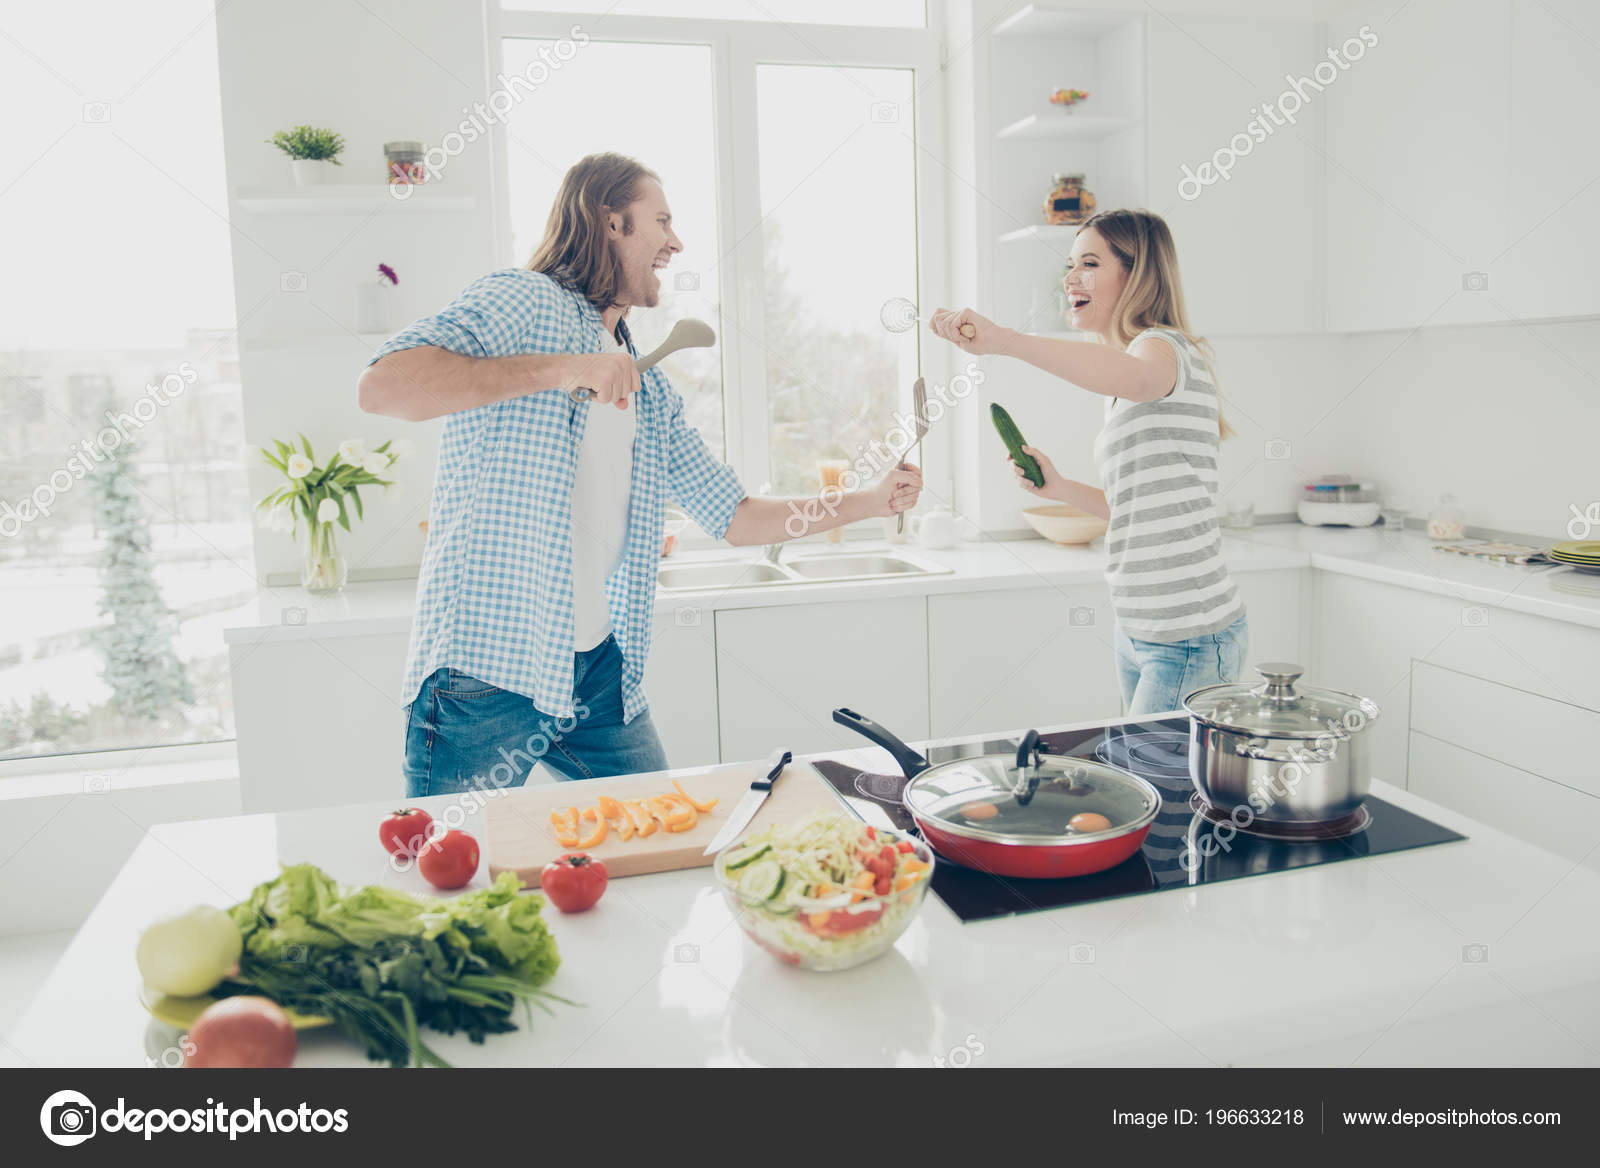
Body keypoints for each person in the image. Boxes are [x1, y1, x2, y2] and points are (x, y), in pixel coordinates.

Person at [359, 152, 922, 795]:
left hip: (594, 669)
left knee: (658, 832)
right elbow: (382, 388)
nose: (676, 242)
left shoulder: (642, 380)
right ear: (611, 222)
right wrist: (563, 368)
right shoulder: (521, 298)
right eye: (662, 221)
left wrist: (868, 502)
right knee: (452, 875)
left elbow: (736, 518)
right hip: (485, 671)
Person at [927, 208, 1246, 716]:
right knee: (1153, 782)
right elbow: (1136, 510)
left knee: (1161, 786)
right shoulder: (1124, 382)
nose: (1071, 277)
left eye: (1090, 263)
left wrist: (1004, 341)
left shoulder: (1162, 349)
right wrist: (1062, 488)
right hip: (1140, 627)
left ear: (1137, 272)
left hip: (1188, 631)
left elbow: (1138, 376)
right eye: (1070, 264)